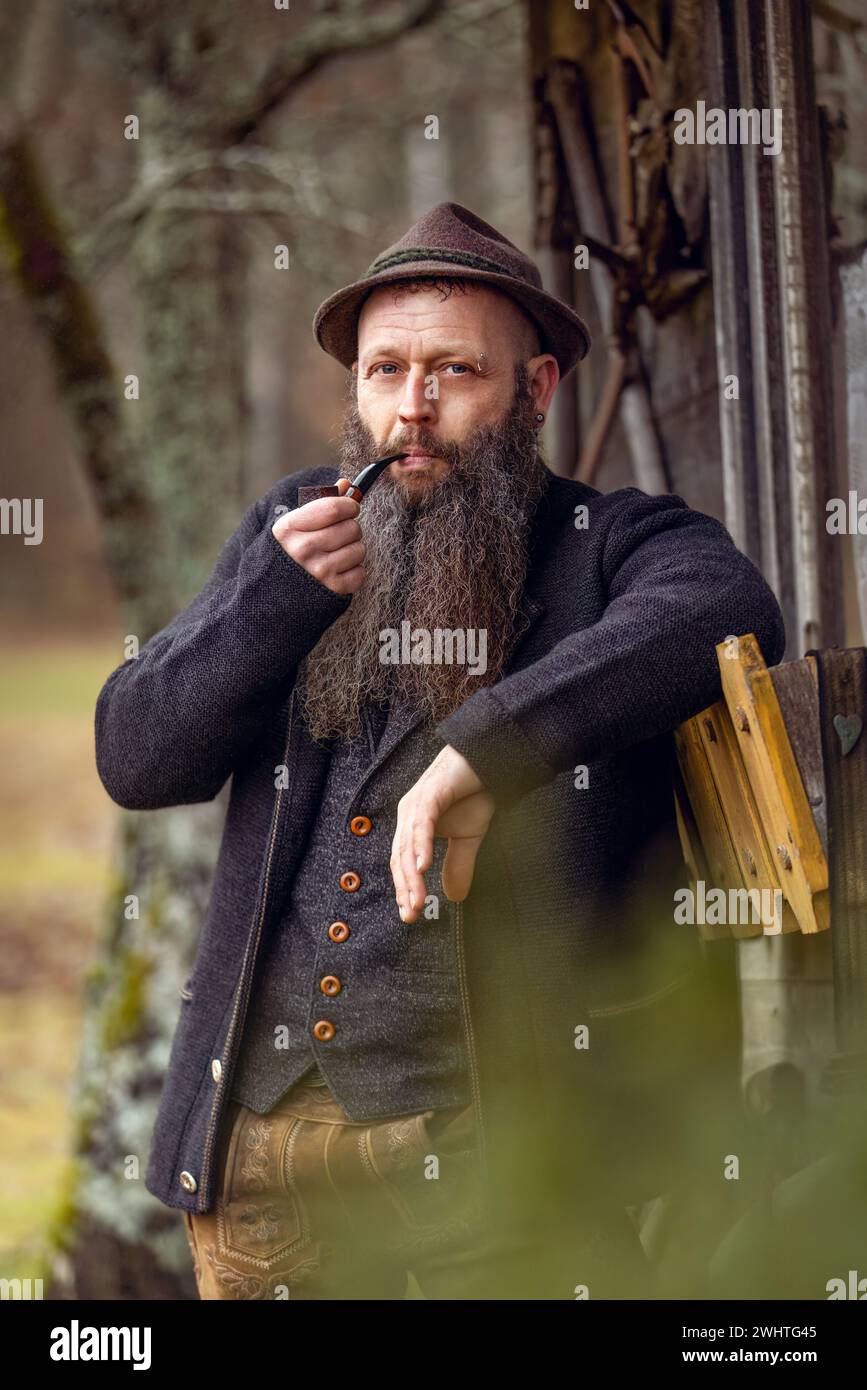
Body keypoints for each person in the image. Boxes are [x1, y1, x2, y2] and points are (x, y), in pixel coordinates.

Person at [95, 201, 786, 1299]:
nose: (410, 410)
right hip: (262, 1169)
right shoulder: (294, 535)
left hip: (497, 1162)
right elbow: (137, 757)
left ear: (537, 390)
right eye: (383, 372)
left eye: (455, 372)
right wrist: (267, 610)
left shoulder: (612, 544)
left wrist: (484, 749)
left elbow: (729, 609)